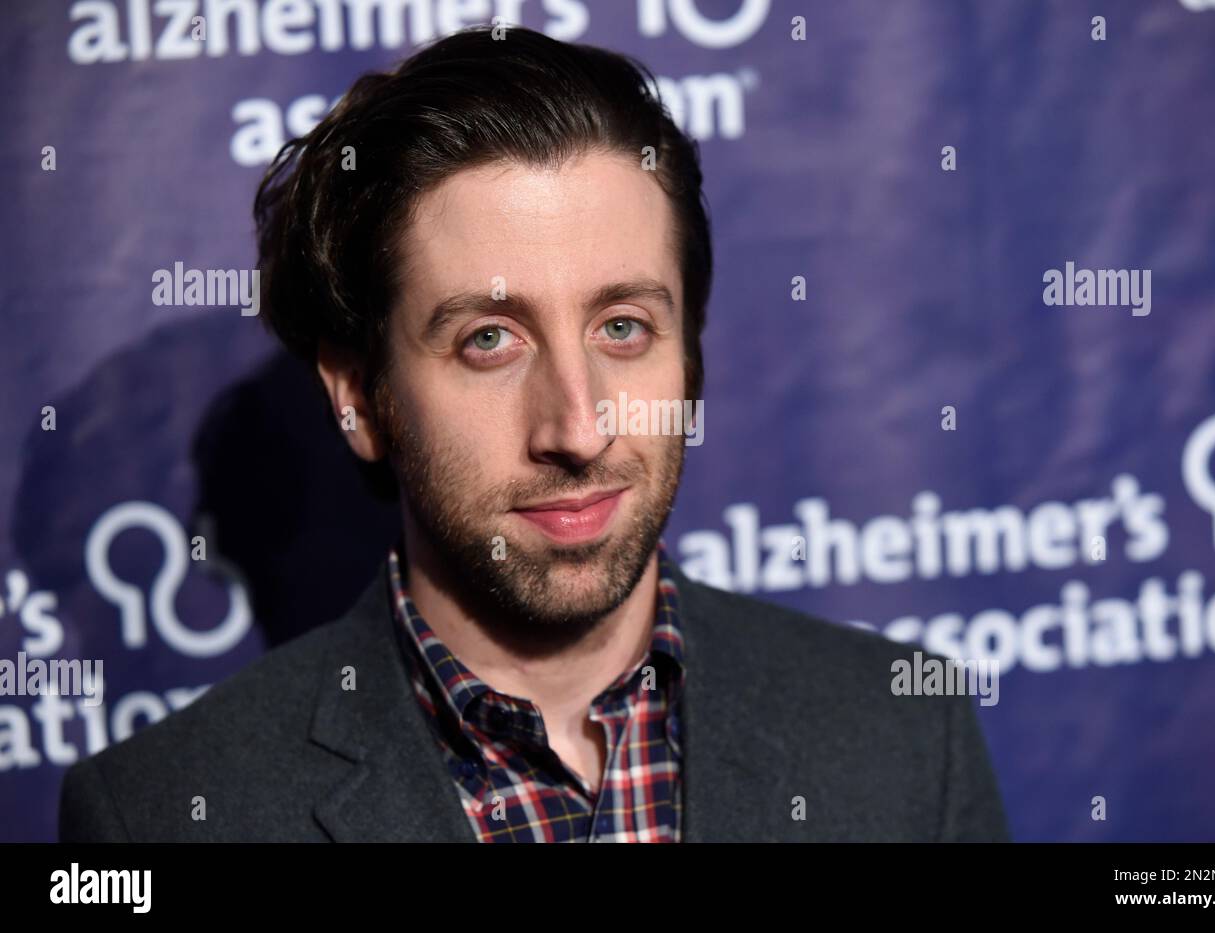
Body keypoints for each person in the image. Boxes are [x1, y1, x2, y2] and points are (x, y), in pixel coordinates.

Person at [59, 24, 1009, 843]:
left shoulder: (904, 733)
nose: (579, 428)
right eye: (489, 341)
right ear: (358, 397)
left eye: (623, 327)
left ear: (689, 356)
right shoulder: (165, 813)